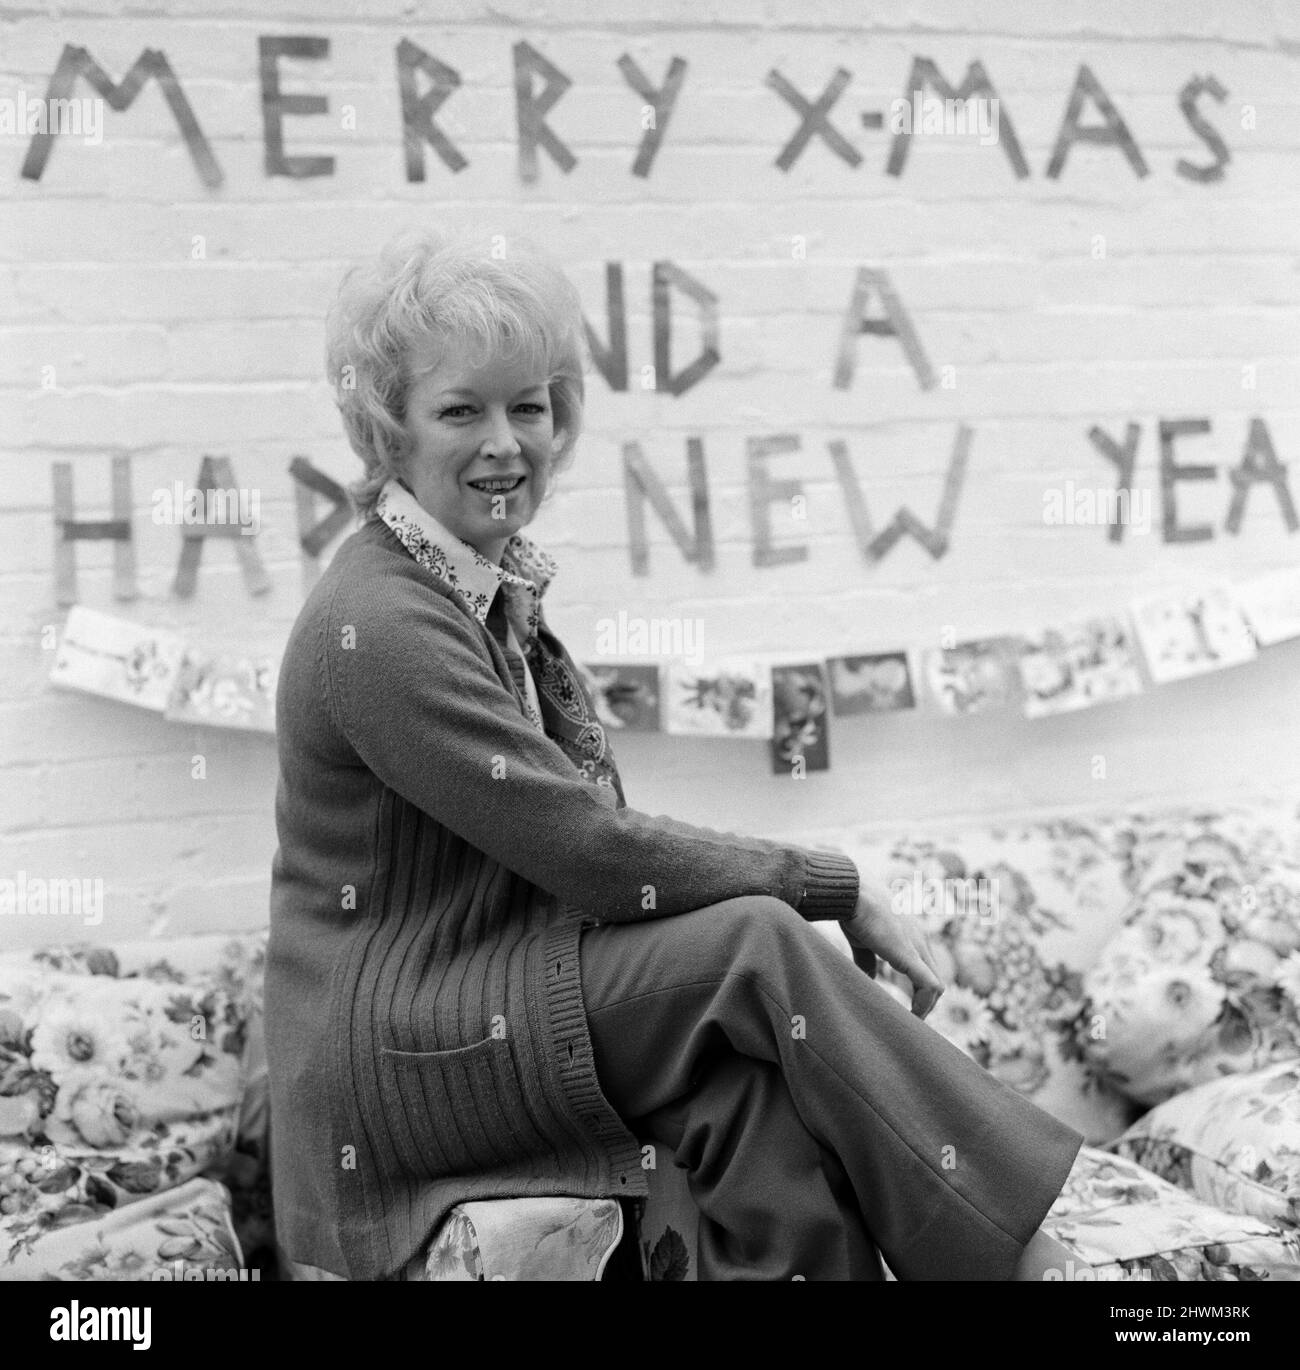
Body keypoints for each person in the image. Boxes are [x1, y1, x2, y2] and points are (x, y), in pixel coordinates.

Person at [265, 228, 1083, 1282]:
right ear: (389, 425)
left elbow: (580, 853)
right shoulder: (379, 623)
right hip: (395, 1056)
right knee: (754, 943)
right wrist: (830, 886)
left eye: (531, 404)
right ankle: (1016, 1252)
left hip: (489, 995)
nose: (507, 441)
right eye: (460, 409)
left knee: (743, 1100)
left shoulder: (478, 584)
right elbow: (588, 848)